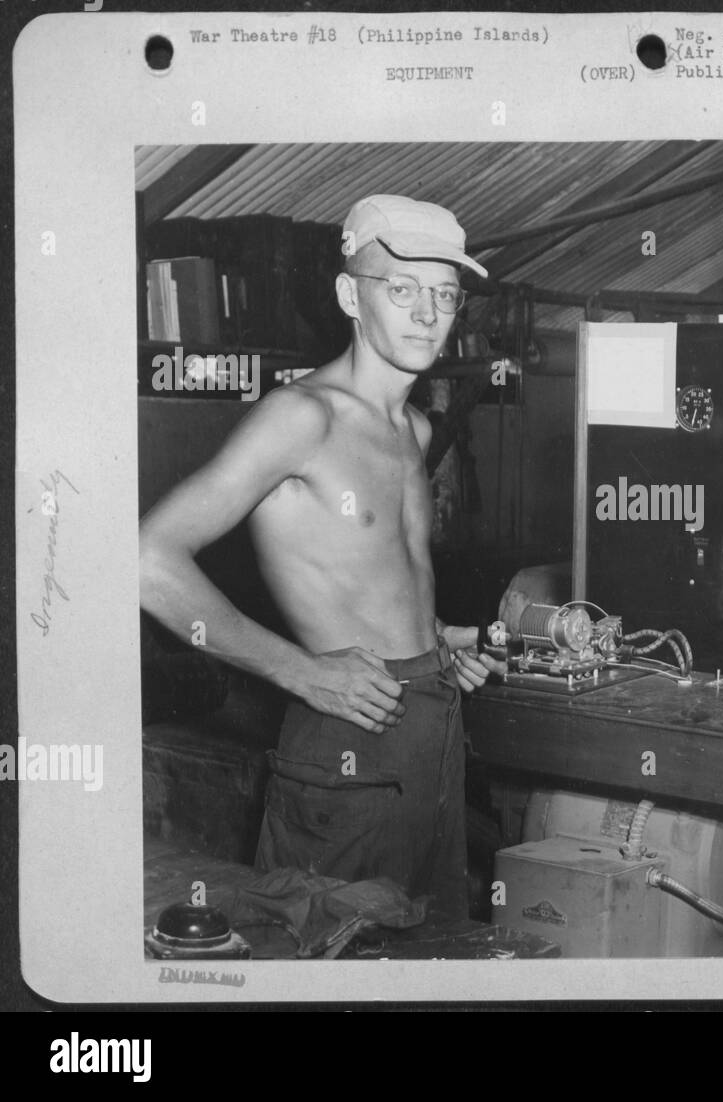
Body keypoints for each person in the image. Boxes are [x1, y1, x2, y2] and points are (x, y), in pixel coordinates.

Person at [139, 194, 505, 919]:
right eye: (400, 289)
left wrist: (434, 643)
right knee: (326, 955)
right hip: (347, 738)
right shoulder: (302, 417)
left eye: (445, 295)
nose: (427, 314)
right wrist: (300, 669)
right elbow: (148, 560)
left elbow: (365, 573)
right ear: (348, 294)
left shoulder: (417, 430)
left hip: (432, 724)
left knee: (432, 952)